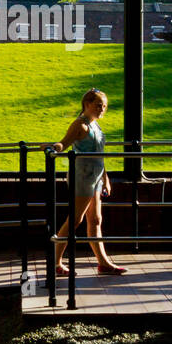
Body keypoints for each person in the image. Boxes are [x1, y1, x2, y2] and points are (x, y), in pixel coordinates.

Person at [51, 88, 125, 276]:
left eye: (105, 106)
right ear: (87, 104)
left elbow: (99, 156)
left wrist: (105, 178)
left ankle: (103, 263)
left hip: (95, 177)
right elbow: (64, 143)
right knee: (75, 219)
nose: (102, 109)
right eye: (98, 105)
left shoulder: (96, 126)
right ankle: (55, 262)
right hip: (82, 177)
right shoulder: (80, 125)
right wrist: (52, 148)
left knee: (95, 219)